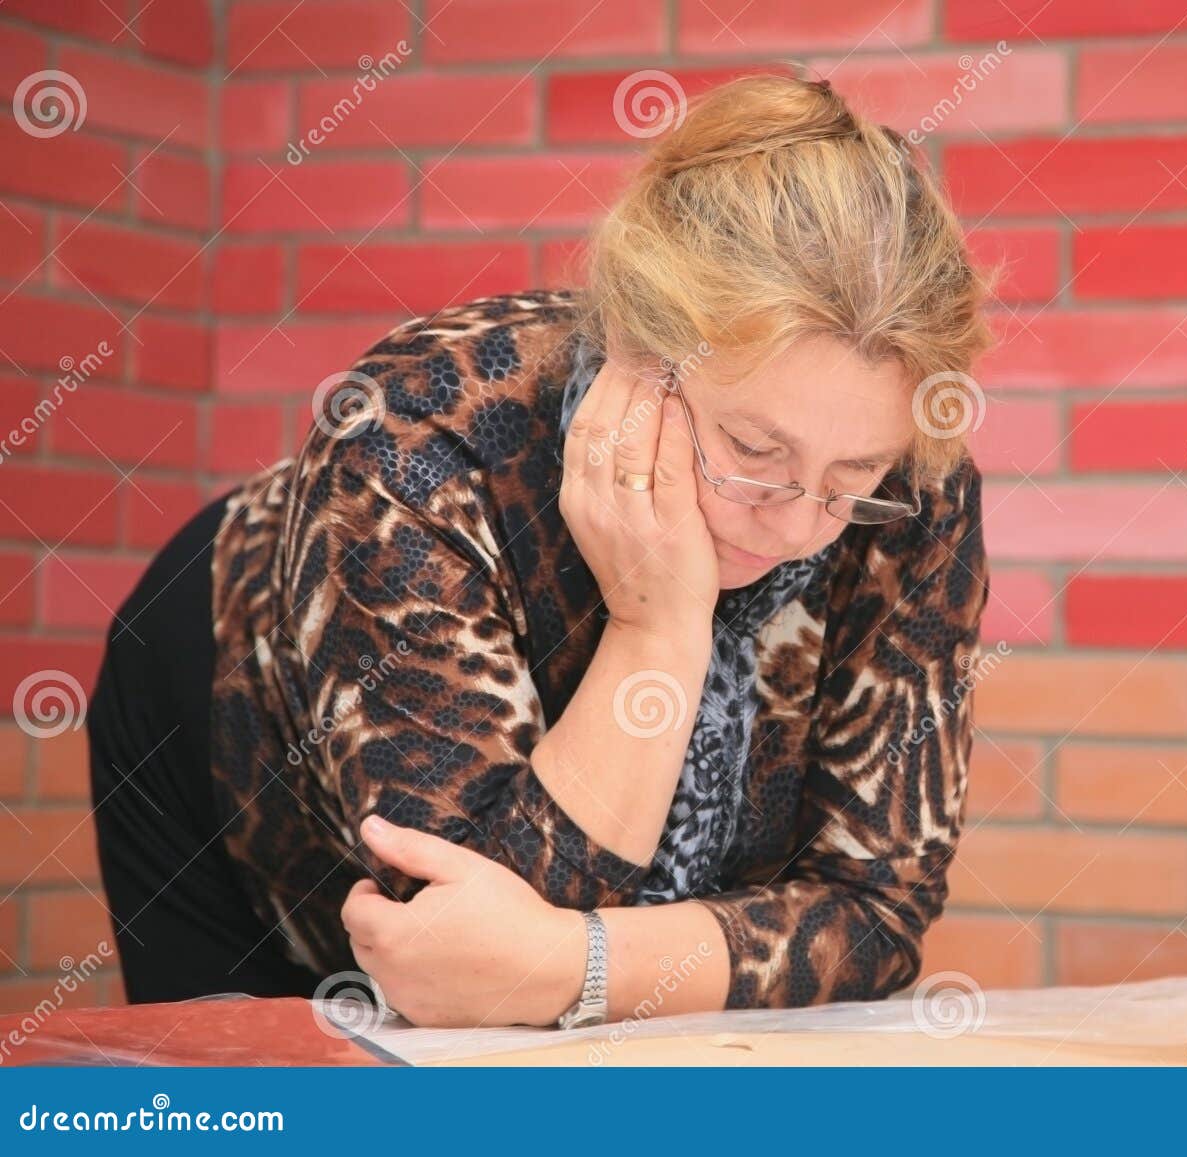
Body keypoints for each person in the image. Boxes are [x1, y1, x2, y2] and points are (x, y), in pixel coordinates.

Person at [87, 74, 996, 1027]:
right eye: (754, 451)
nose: (803, 523)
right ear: (641, 351)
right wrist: (659, 629)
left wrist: (579, 960)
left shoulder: (915, 481)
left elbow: (878, 910)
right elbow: (458, 954)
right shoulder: (412, 441)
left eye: (852, 476)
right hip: (221, 719)